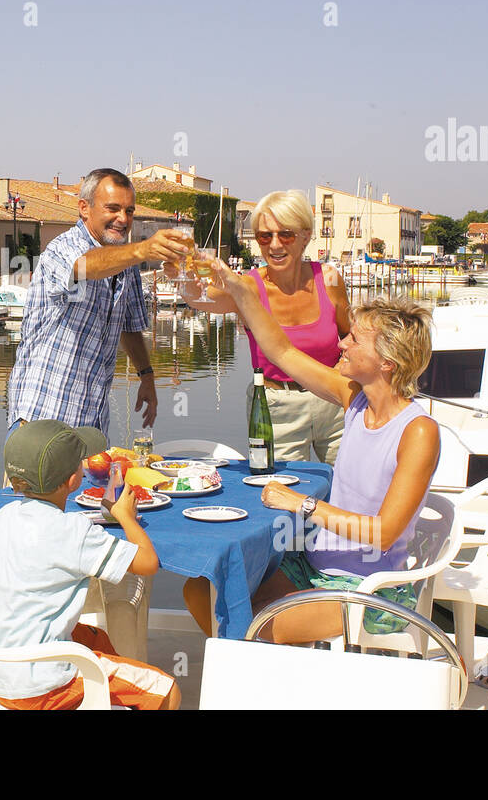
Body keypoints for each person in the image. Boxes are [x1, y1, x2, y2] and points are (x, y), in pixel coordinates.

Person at [184, 268, 439, 643]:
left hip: (368, 588)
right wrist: (241, 291)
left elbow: (384, 534)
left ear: (387, 362)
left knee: (246, 626)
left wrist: (303, 505)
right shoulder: (355, 400)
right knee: (202, 589)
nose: (341, 344)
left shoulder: (418, 431)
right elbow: (282, 350)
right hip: (314, 564)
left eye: (354, 339)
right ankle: (267, 672)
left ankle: (262, 675)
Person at [0, 420, 180, 710]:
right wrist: (126, 517)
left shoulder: (2, 517)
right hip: (44, 686)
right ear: (73, 480)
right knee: (168, 691)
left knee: (95, 638)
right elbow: (148, 563)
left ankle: (106, 697)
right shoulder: (73, 530)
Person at [6, 168, 192, 442]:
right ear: (84, 208)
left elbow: (129, 326)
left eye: (129, 211)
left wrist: (147, 377)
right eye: (113, 208)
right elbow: (85, 266)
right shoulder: (62, 248)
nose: (123, 219)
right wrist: (141, 250)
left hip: (91, 422)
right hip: (41, 417)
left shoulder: (124, 263)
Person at [167, 190, 351, 465]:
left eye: (285, 234)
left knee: (347, 486)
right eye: (265, 236)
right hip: (277, 407)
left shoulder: (329, 279)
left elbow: (351, 336)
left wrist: (342, 374)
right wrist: (180, 275)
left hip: (334, 401)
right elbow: (201, 300)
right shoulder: (248, 288)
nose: (275, 245)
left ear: (305, 235)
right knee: (286, 491)